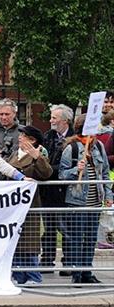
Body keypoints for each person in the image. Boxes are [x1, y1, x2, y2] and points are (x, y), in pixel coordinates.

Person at [58, 114, 113, 284]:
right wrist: (76, 169)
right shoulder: (72, 148)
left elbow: (104, 173)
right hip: (77, 201)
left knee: (90, 238)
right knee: (76, 237)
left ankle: (87, 271)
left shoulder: (99, 147)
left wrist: (108, 195)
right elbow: (62, 174)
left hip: (95, 201)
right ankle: (77, 272)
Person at [6, 125, 52, 285]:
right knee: (15, 241)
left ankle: (33, 276)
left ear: (32, 140)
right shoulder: (14, 154)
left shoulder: (39, 154)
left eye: (24, 136)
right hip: (12, 204)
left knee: (29, 242)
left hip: (29, 204)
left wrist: (38, 158)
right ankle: (18, 276)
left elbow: (46, 173)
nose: (20, 138)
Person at [40, 104, 74, 271]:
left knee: (67, 228)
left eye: (54, 118)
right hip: (48, 190)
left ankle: (68, 262)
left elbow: (65, 166)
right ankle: (47, 259)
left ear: (65, 121)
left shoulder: (74, 138)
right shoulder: (47, 136)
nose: (51, 120)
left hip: (66, 191)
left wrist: (50, 169)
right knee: (49, 227)